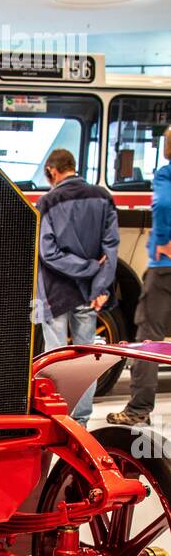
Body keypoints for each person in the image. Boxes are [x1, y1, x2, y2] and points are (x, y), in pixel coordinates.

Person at [37, 148, 120, 426]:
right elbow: (111, 248)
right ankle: (81, 422)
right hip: (87, 294)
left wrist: (87, 268)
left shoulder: (48, 201)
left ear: (52, 171)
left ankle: (58, 419)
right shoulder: (103, 197)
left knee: (56, 361)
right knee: (86, 362)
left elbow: (48, 253)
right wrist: (99, 286)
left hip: (54, 294)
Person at [108, 124, 171, 426]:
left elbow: (162, 208)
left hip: (164, 267)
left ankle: (138, 409)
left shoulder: (165, 175)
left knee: (148, 340)